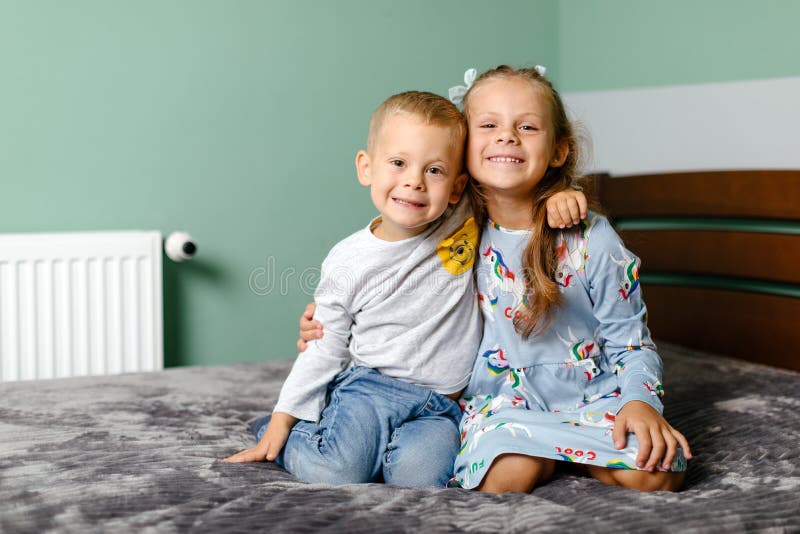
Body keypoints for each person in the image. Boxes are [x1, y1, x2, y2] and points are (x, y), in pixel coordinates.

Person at [298, 65, 692, 493]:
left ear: (559, 151)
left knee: (657, 474)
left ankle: (571, 451)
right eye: (488, 125)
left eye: (527, 126)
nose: (507, 136)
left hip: (593, 396)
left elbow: (630, 339)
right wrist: (331, 319)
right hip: (503, 402)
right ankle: (552, 453)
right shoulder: (451, 229)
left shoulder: (591, 238)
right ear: (464, 151)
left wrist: (639, 402)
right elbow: (384, 274)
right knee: (505, 479)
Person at [225, 90, 586, 488]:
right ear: (366, 167)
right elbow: (323, 347)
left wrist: (561, 193)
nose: (413, 181)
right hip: (370, 389)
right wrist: (282, 418)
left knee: (423, 479)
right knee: (336, 472)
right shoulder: (348, 260)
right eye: (398, 163)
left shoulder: (461, 216)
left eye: (434, 170)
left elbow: (508, 178)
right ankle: (297, 434)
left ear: (456, 186)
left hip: (441, 405)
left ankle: (374, 448)